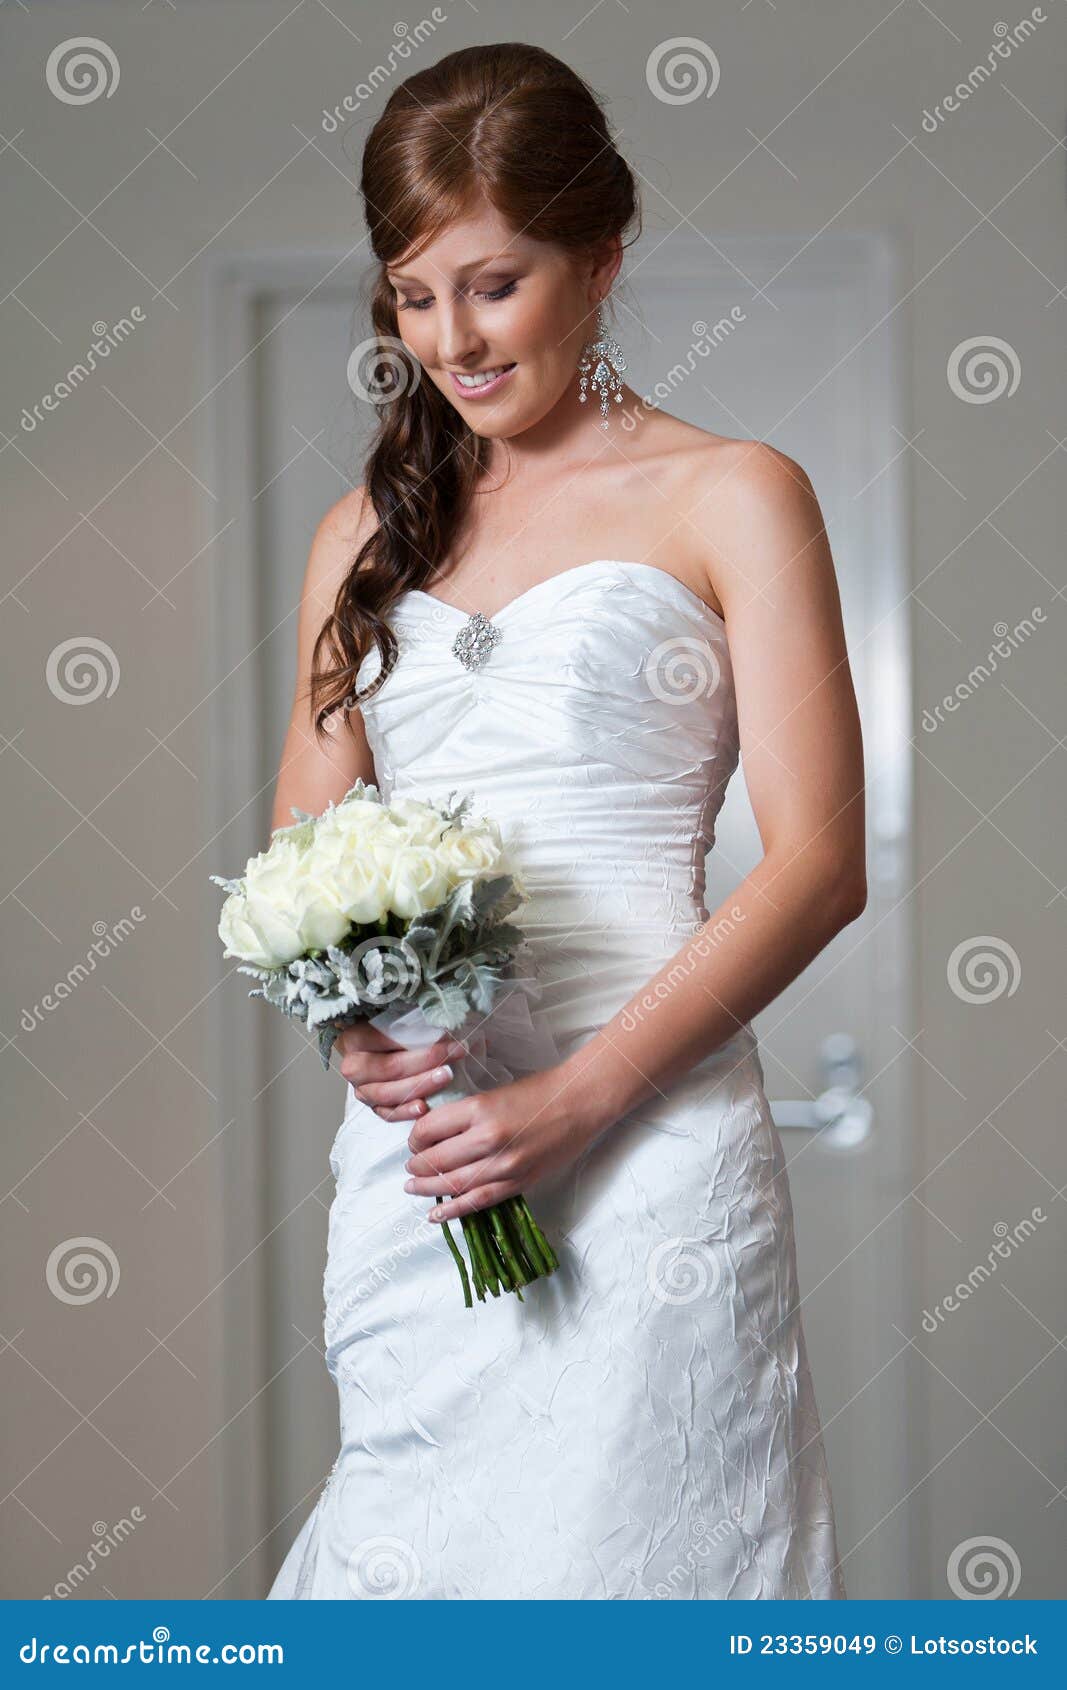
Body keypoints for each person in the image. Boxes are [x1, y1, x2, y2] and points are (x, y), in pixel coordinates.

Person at [267, 41, 863, 1600]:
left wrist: (584, 1096)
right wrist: (358, 1037)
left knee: (636, 1566)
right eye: (412, 294)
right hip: (433, 1157)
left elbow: (817, 866)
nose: (449, 339)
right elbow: (307, 865)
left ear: (600, 259)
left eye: (494, 283)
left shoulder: (736, 493)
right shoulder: (363, 534)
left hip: (653, 1132)